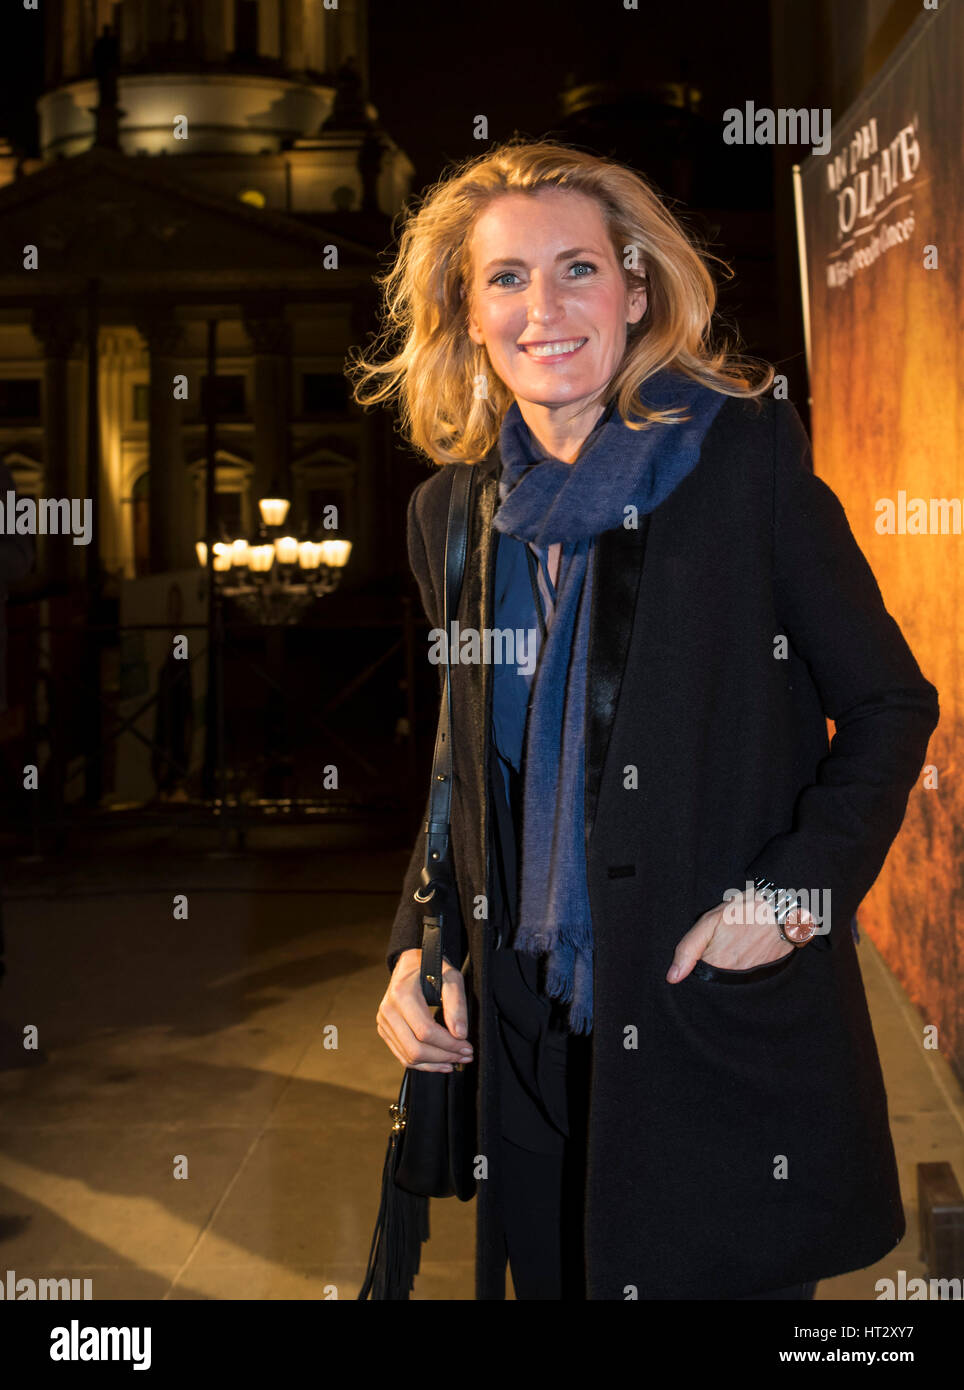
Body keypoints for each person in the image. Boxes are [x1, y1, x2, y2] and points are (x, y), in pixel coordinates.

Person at [349, 138, 940, 1301]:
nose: (544, 307)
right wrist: (421, 944)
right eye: (506, 278)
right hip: (524, 1043)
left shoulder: (743, 465)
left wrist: (790, 897)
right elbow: (462, 770)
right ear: (466, 314)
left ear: (635, 289)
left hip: (704, 1027)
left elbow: (887, 703)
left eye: (578, 268)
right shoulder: (450, 517)